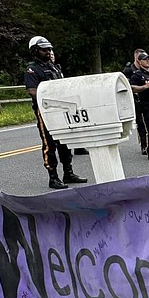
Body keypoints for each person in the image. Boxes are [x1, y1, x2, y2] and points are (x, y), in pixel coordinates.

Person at [24, 36, 88, 190]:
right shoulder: (32, 69)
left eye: (49, 49)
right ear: (35, 51)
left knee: (65, 142)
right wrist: (52, 95)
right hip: (45, 111)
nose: (48, 52)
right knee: (49, 144)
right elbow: (32, 91)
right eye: (44, 49)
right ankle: (53, 177)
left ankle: (68, 172)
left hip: (61, 109)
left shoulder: (55, 67)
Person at [126, 50, 149, 157]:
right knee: (148, 128)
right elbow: (131, 87)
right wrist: (145, 87)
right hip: (144, 104)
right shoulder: (137, 74)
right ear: (139, 62)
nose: (148, 61)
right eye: (145, 59)